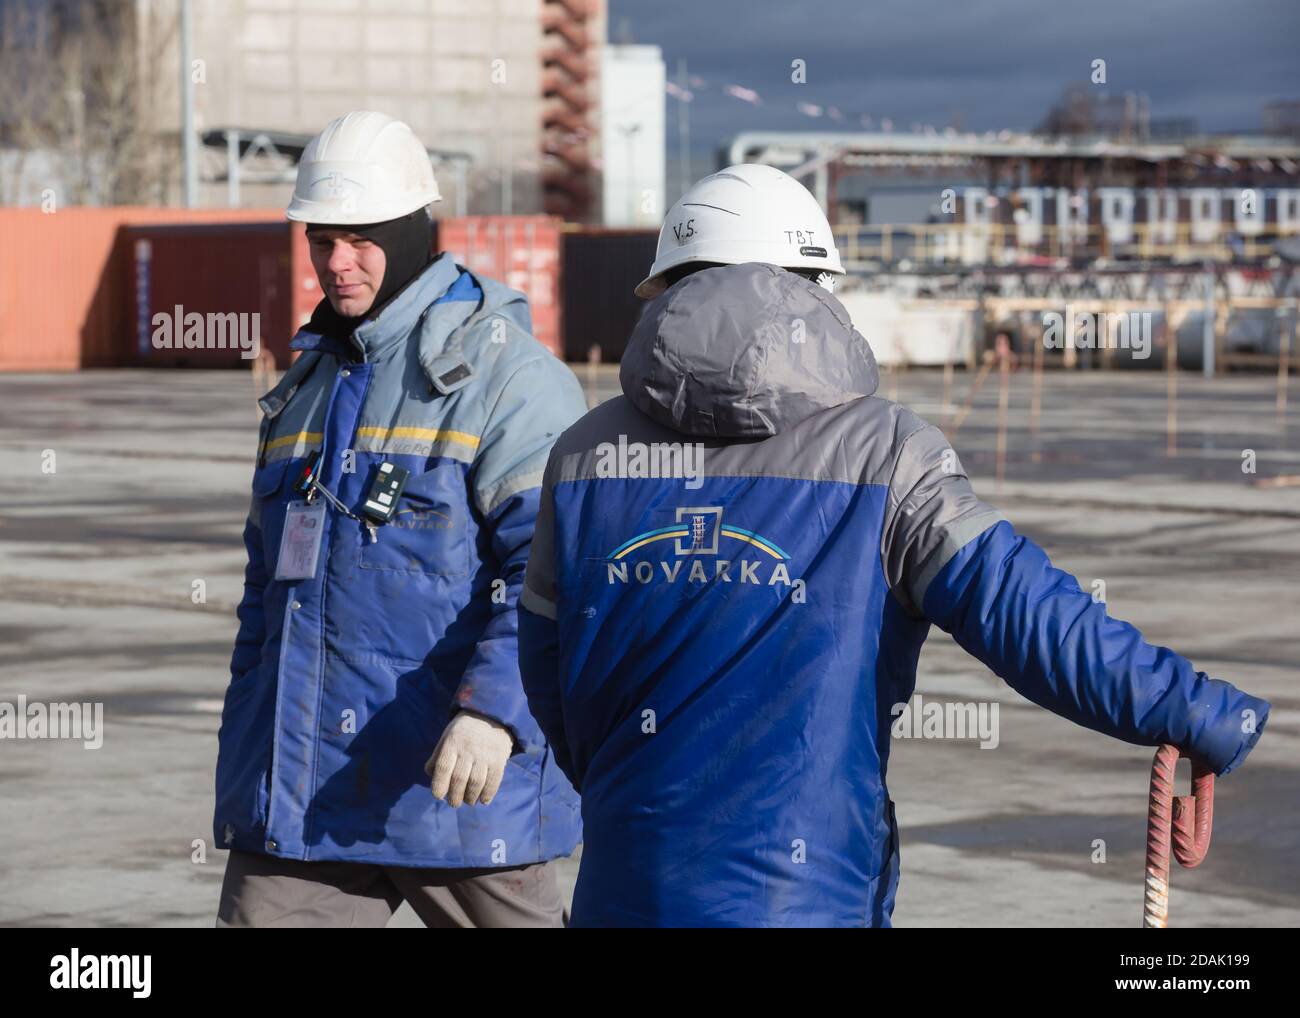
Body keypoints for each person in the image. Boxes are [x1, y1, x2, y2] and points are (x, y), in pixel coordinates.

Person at [517, 163, 1271, 927]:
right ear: (815, 287)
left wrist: (633, 791)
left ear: (666, 289)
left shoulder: (583, 456)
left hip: (625, 887)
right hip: (806, 901)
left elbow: (546, 673)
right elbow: (1029, 617)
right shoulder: (886, 454)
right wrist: (1192, 709)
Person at [214, 111, 585, 927]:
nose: (336, 263)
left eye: (361, 238)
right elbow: (261, 588)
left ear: (414, 228)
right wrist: (250, 734)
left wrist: (495, 712)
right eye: (320, 239)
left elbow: (555, 569)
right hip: (308, 791)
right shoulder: (306, 385)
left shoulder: (506, 378)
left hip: (460, 786)